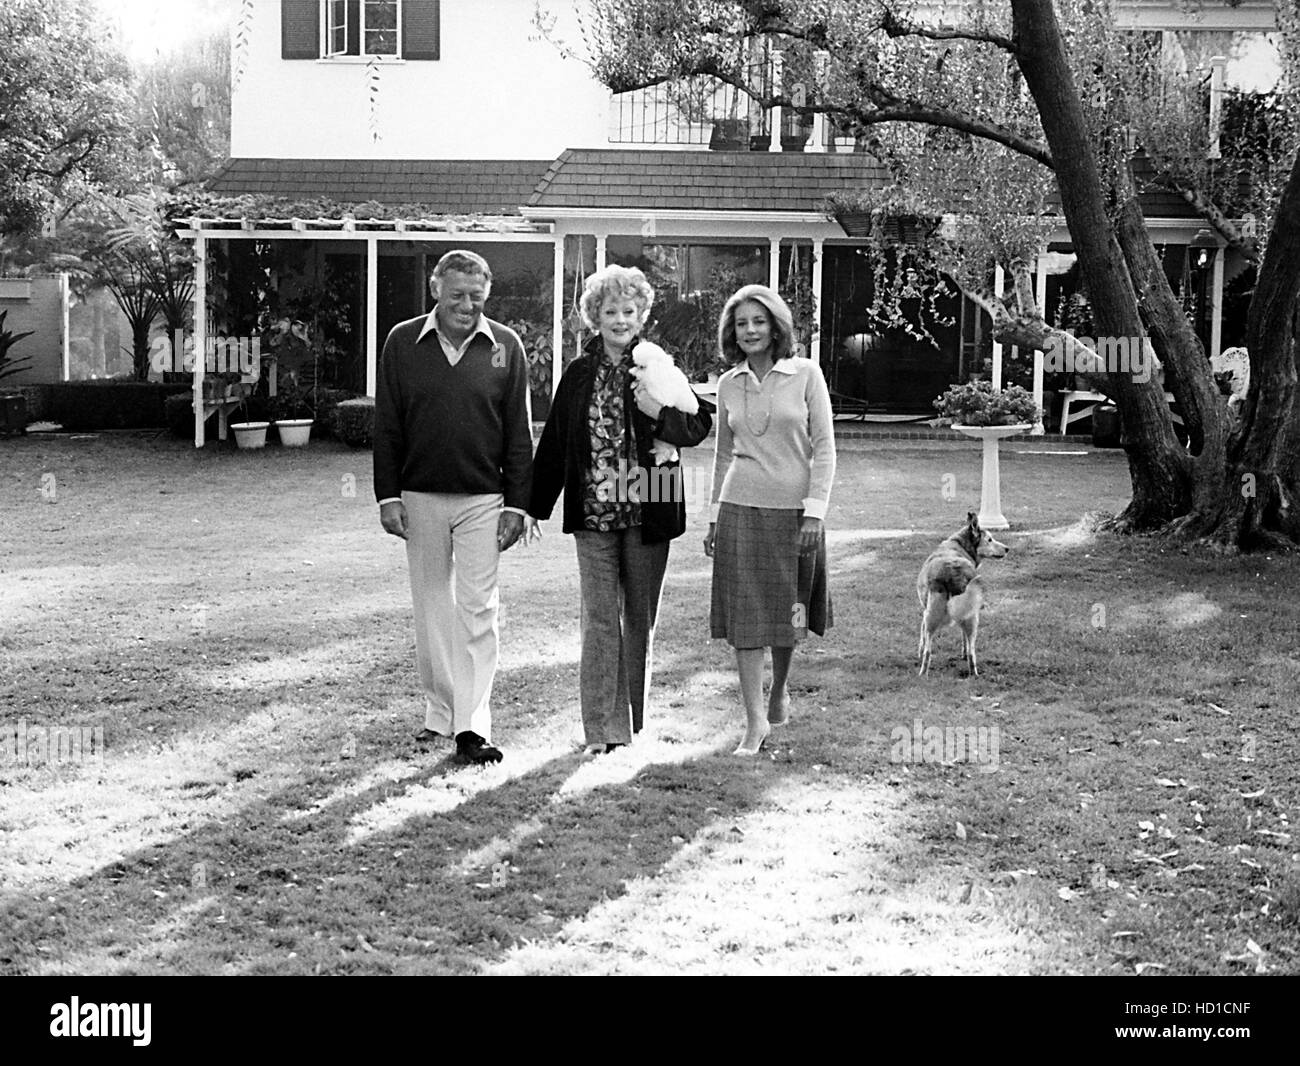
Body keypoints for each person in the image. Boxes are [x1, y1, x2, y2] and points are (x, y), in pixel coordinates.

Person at [529, 264, 712, 755]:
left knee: (638, 617)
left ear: (642, 315)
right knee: (599, 619)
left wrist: (660, 415)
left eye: (629, 310)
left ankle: (629, 724)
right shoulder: (578, 373)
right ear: (594, 316)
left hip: (648, 504)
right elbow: (554, 444)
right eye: (610, 310)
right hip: (593, 513)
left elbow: (699, 426)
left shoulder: (656, 366)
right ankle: (599, 730)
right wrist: (530, 507)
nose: (620, 319)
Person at [373, 249, 532, 766]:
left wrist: (519, 506)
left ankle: (471, 726)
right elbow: (388, 424)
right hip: (419, 497)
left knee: (479, 610)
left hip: (484, 499)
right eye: (458, 294)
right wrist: (388, 495)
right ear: (436, 289)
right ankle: (441, 710)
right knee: (432, 609)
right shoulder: (401, 342)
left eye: (478, 298)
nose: (468, 306)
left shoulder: (506, 346)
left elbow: (518, 432)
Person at [705, 284, 836, 756]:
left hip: (795, 513)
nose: (750, 331)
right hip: (740, 507)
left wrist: (815, 511)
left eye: (758, 321)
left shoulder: (806, 375)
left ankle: (779, 688)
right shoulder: (726, 385)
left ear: (776, 325)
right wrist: (715, 516)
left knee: (788, 612)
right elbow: (722, 456)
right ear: (732, 333)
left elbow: (824, 448)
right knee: (745, 617)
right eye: (741, 324)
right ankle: (754, 720)